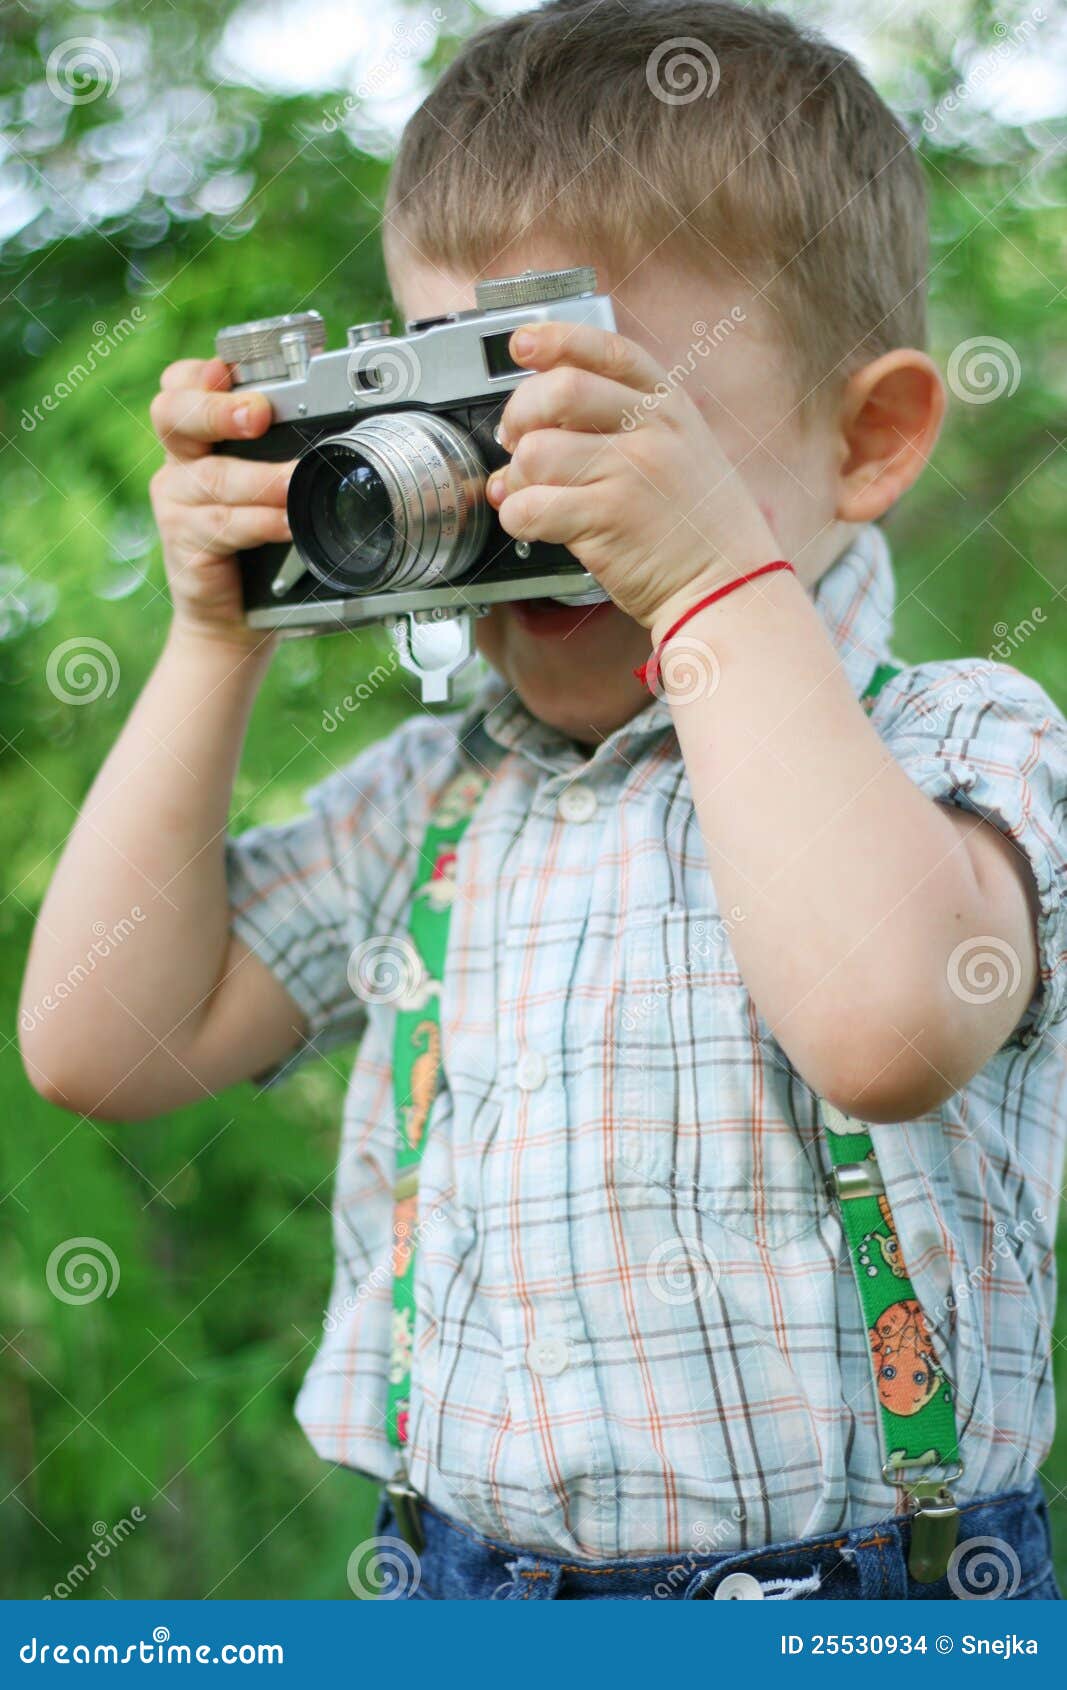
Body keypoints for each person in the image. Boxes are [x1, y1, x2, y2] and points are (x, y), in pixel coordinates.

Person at [20, 0, 1066, 1600]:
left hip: (855, 1601)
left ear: (868, 437)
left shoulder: (958, 742)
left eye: (608, 427)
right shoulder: (435, 798)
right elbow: (98, 1042)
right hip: (452, 1579)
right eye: (478, 420)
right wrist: (215, 636)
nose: (535, 500)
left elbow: (886, 1023)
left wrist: (710, 576)